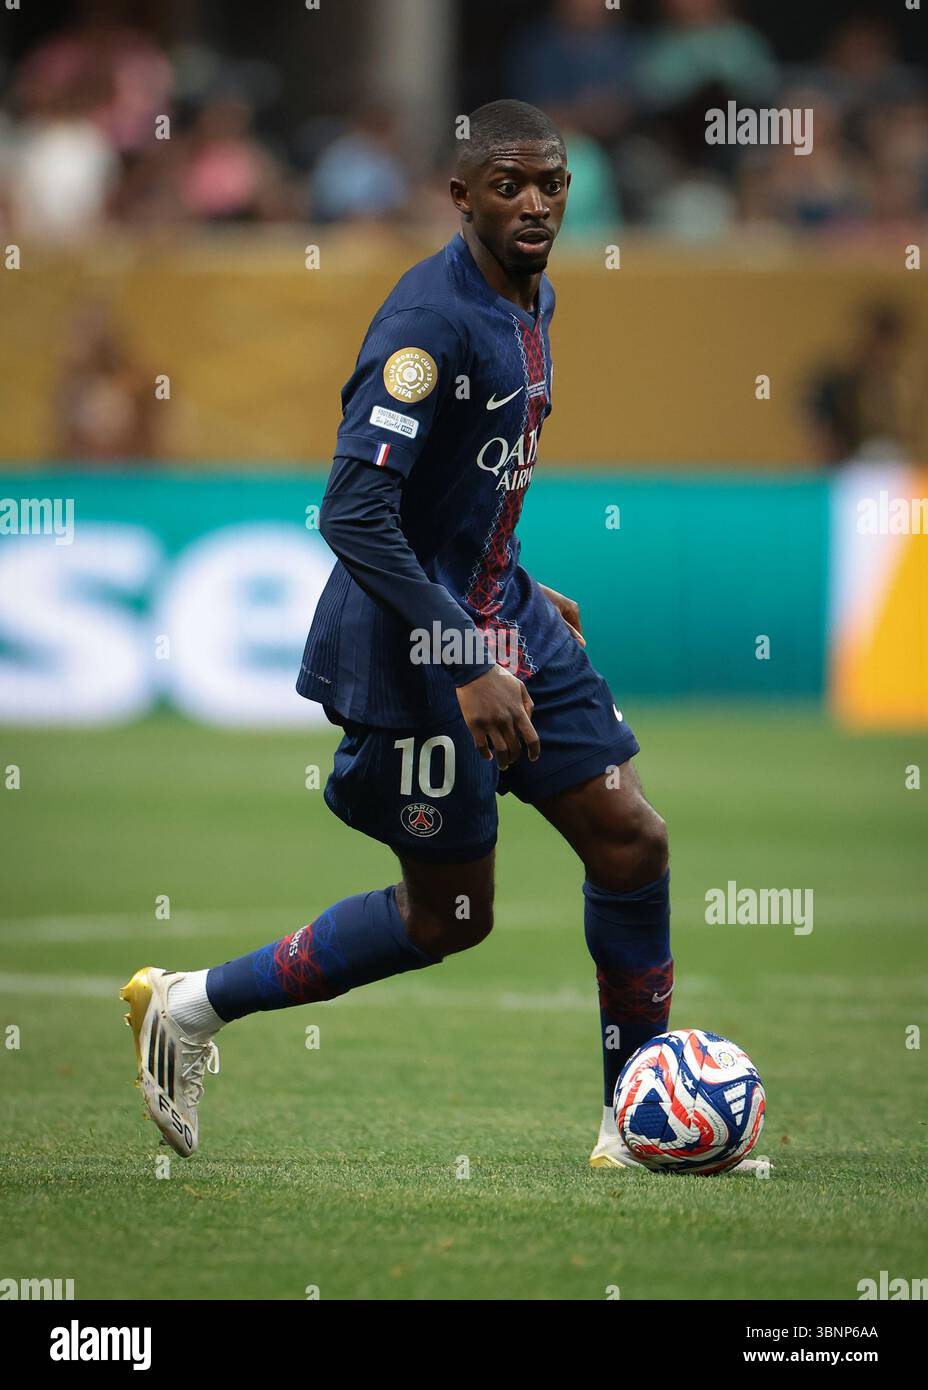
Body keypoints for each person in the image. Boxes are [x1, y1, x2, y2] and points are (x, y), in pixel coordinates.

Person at [119, 99, 759, 1174]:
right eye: (507, 185)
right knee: (452, 916)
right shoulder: (426, 325)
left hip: (499, 612)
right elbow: (355, 512)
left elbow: (459, 489)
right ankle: (189, 1006)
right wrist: (464, 655)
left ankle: (631, 1121)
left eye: (549, 183)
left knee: (630, 841)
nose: (535, 203)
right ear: (460, 197)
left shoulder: (534, 296)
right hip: (416, 652)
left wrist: (519, 585)